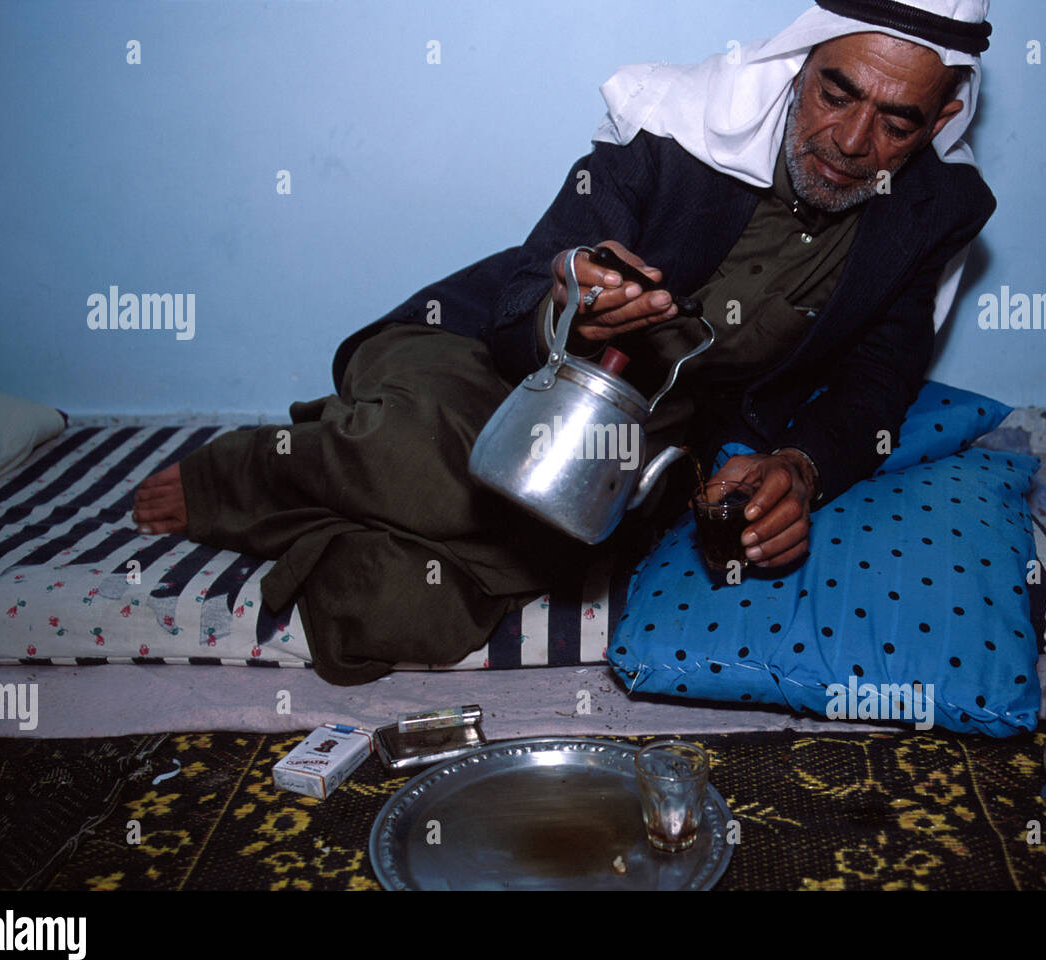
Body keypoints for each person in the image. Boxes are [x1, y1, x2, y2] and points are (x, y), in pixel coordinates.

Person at [132, 0, 997, 684]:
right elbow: (520, 299)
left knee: (406, 606)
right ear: (798, 67)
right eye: (836, 94)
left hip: (637, 424)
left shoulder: (935, 211)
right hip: (479, 355)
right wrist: (573, 305)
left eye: (898, 121)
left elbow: (880, 381)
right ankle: (251, 469)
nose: (851, 144)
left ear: (944, 115)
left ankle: (342, 518)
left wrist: (800, 470)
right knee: (421, 445)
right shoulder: (671, 130)